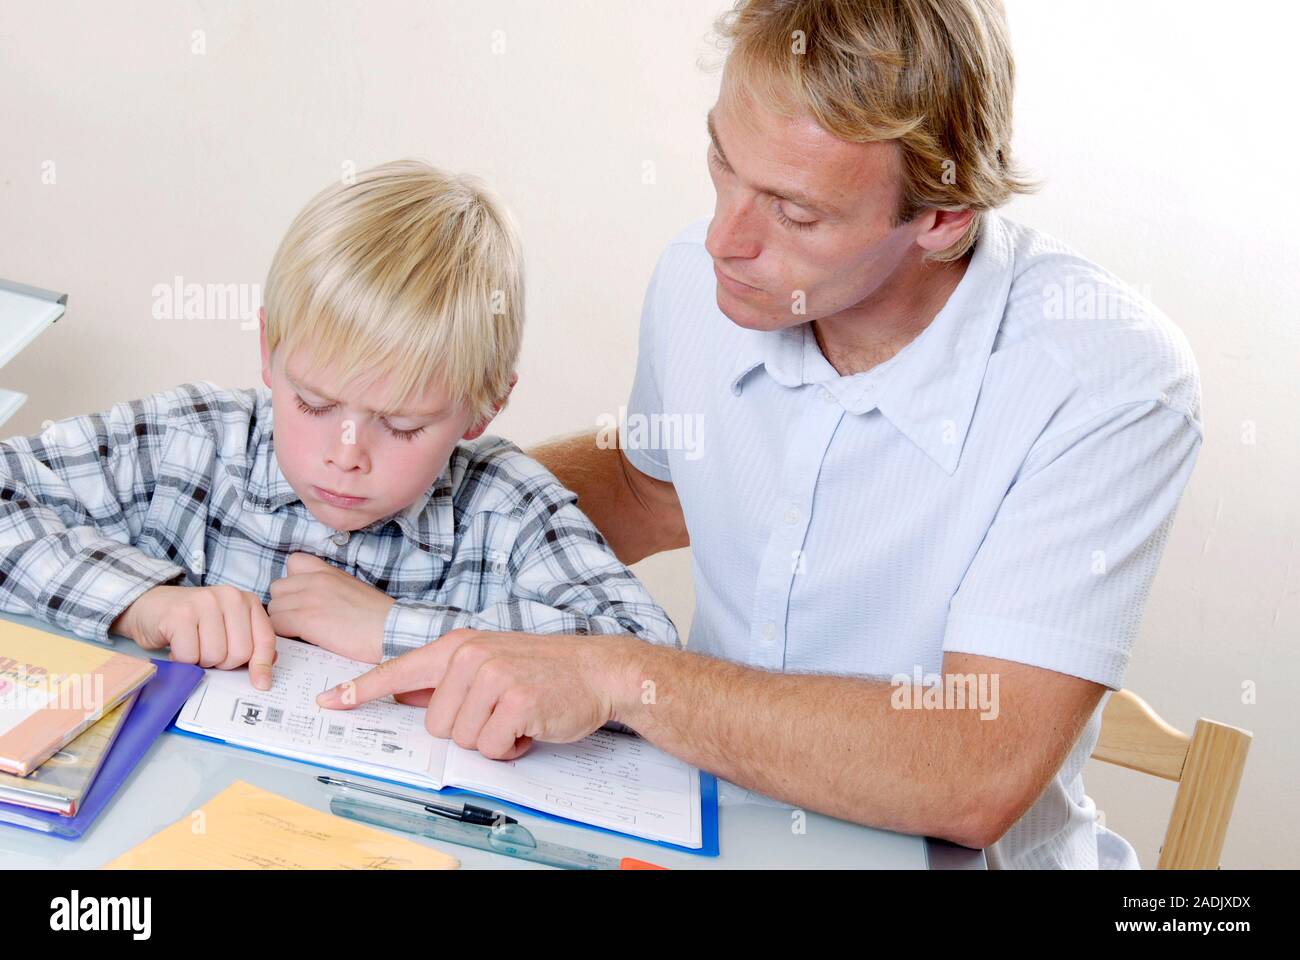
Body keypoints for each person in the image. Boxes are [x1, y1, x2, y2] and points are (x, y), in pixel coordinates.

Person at [316, 1, 1203, 869]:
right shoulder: (701, 286)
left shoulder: (1106, 382)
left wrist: (620, 677)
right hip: (690, 821)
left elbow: (973, 773)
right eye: (722, 162)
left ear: (941, 218)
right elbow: (647, 489)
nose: (721, 238)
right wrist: (373, 486)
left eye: (795, 212)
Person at [0, 160, 678, 700]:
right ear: (269, 350)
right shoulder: (191, 442)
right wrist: (142, 602)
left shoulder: (506, 508)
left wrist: (390, 629)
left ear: (484, 405)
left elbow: (647, 667)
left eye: (402, 425)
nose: (345, 456)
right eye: (315, 404)